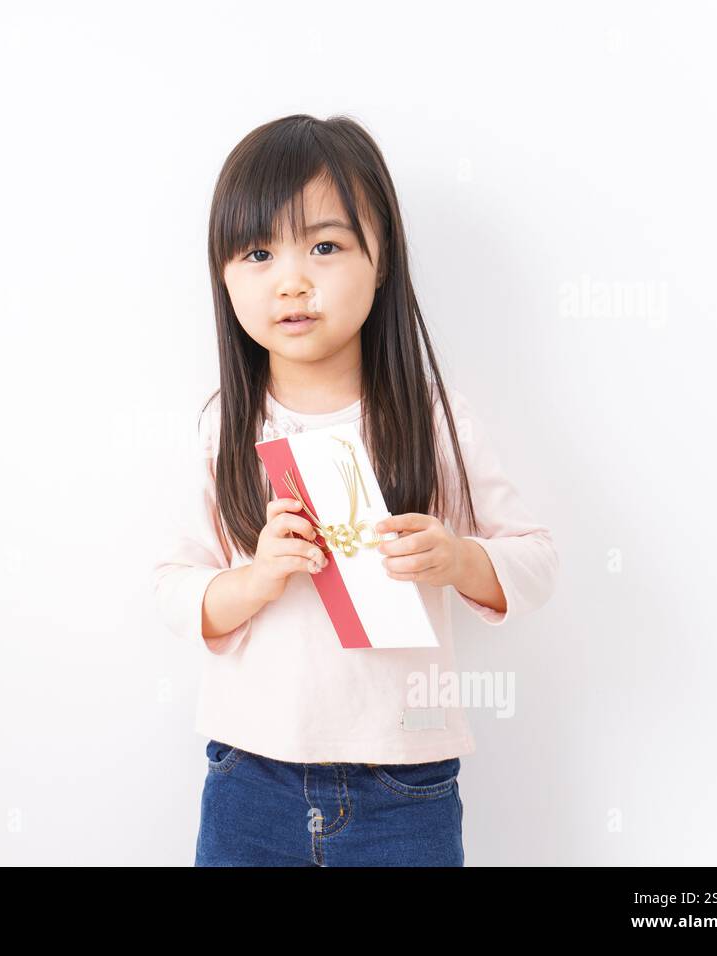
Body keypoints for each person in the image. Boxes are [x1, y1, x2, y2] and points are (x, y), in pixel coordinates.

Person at [151, 113, 560, 867]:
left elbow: (535, 560)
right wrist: (258, 579)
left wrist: (457, 559)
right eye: (259, 251)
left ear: (383, 260)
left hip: (404, 787)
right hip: (250, 778)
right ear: (223, 275)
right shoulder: (222, 429)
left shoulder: (433, 418)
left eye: (326, 245)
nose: (292, 279)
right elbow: (175, 588)